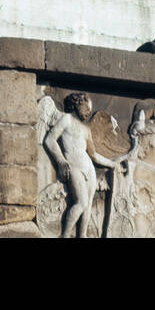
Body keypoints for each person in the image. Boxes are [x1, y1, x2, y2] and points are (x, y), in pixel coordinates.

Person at [43, 92, 126, 237]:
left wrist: (113, 164)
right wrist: (61, 161)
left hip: (89, 169)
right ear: (77, 104)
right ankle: (65, 235)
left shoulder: (86, 130)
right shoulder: (66, 119)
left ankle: (82, 235)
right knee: (81, 203)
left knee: (87, 208)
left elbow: (93, 155)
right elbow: (50, 140)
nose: (88, 111)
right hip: (73, 166)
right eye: (86, 107)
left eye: (90, 109)